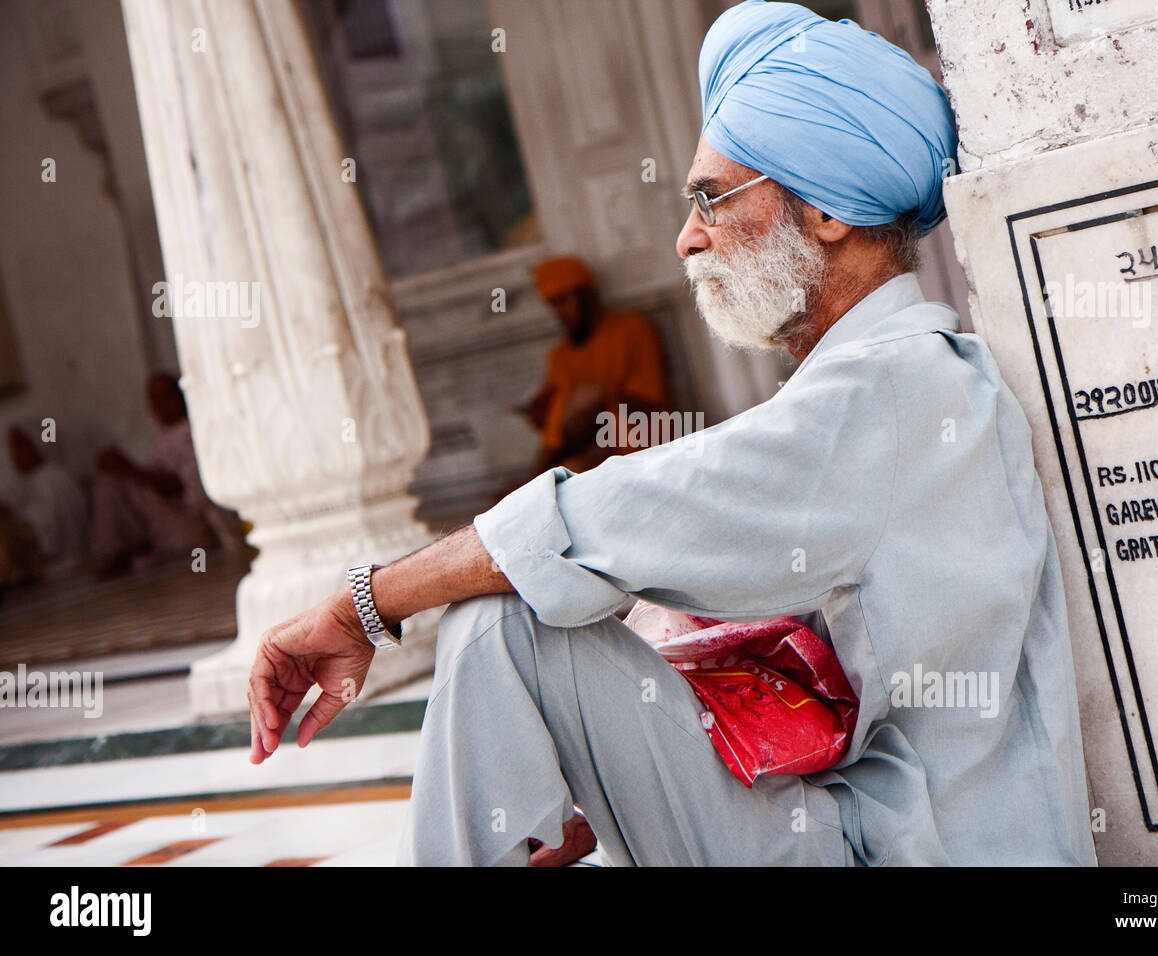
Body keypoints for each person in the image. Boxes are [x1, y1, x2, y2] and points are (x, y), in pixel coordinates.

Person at [248, 0, 1096, 867]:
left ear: (829, 213)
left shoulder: (895, 390)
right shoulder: (909, 374)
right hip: (847, 817)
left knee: (500, 620)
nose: (688, 238)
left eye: (712, 197)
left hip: (892, 849)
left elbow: (601, 519)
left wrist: (366, 604)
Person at [518, 256, 672, 475]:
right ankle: (532, 484)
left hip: (633, 440)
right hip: (582, 447)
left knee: (585, 400)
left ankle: (531, 484)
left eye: (563, 301)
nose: (559, 314)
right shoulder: (560, 355)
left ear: (586, 295)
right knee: (566, 472)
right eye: (553, 305)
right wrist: (542, 412)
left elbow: (648, 404)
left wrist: (598, 400)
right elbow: (556, 427)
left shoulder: (632, 330)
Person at [91, 374, 243, 576]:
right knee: (109, 478)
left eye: (166, 396)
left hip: (196, 527)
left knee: (113, 479)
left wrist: (129, 470)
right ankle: (119, 550)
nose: (160, 404)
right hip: (165, 526)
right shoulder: (162, 441)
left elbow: (187, 488)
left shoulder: (196, 432)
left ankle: (117, 551)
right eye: (154, 398)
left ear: (182, 397)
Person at [2, 426, 87, 578]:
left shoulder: (51, 478)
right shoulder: (25, 481)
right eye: (13, 448)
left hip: (60, 560)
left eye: (21, 446)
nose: (15, 454)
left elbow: (48, 530)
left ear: (40, 444)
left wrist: (9, 519)